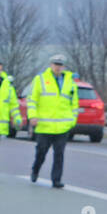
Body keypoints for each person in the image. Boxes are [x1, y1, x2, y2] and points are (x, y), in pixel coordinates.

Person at [27, 54, 78, 188]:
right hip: (44, 125)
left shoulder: (70, 81)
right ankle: (35, 170)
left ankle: (56, 180)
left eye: (60, 65)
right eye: (55, 64)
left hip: (62, 126)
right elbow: (32, 100)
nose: (58, 67)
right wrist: (32, 116)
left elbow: (74, 103)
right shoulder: (40, 79)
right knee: (41, 152)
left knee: (59, 154)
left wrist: (72, 120)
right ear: (51, 65)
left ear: (63, 66)